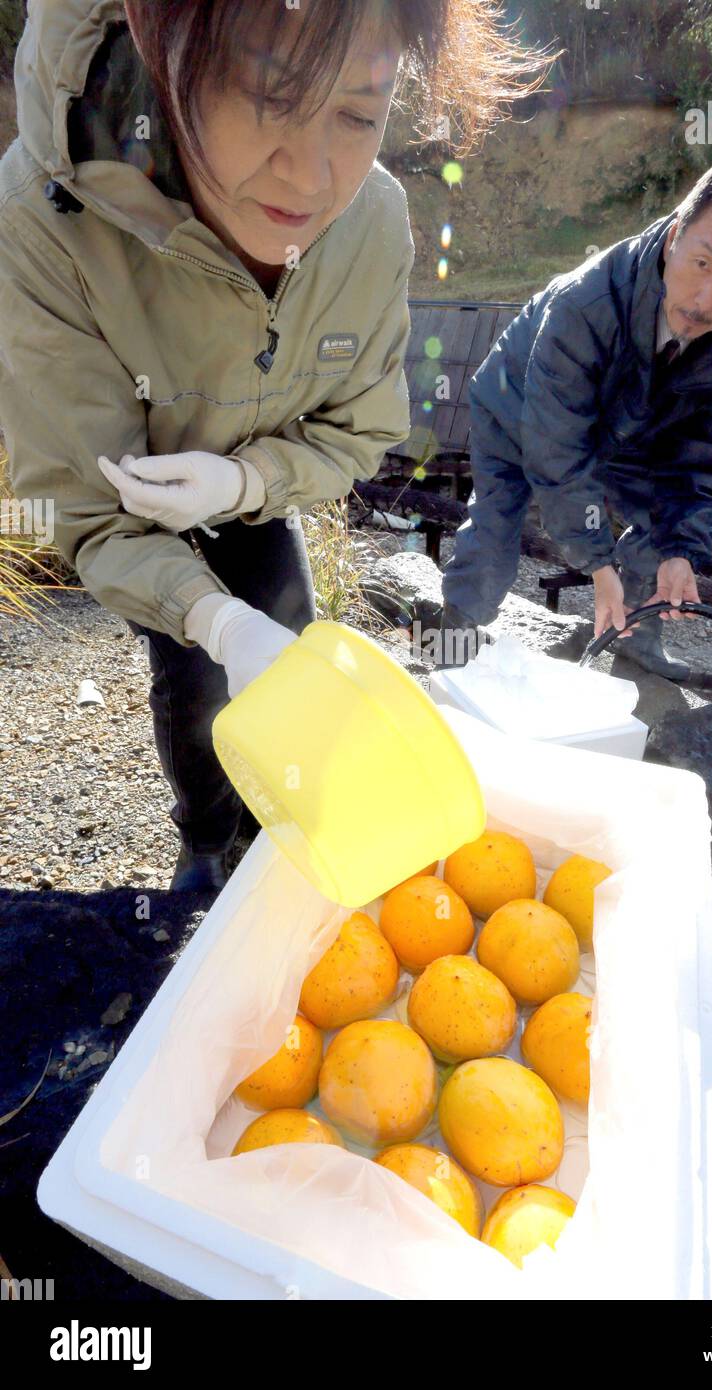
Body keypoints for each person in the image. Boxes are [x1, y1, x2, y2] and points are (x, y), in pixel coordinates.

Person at [0, 0, 554, 891]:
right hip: (135, 496)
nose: (312, 174)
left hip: (247, 485)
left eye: (357, 114)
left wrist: (242, 481)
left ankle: (281, 837)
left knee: (288, 635)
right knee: (195, 677)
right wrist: (208, 615)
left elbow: (362, 429)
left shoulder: (372, 220)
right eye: (269, 97)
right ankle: (206, 839)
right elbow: (91, 516)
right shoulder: (42, 223)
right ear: (160, 45)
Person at [439, 141, 712, 680]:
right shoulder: (587, 304)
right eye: (702, 262)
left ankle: (638, 658)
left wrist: (683, 548)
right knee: (497, 520)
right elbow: (558, 447)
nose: (707, 301)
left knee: (661, 535)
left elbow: (701, 462)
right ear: (673, 238)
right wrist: (596, 562)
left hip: (627, 433)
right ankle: (455, 632)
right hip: (517, 408)